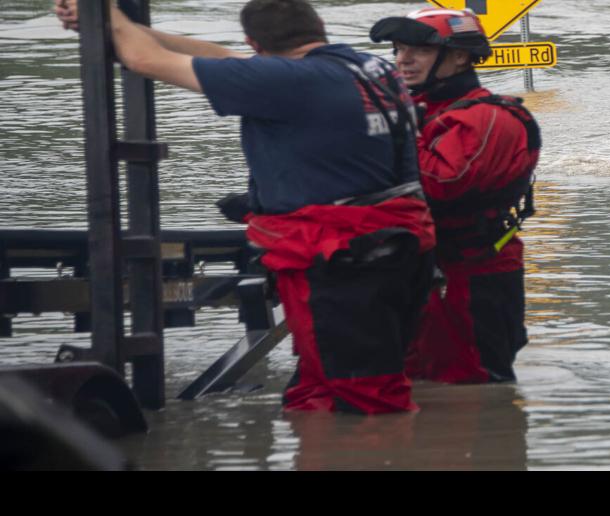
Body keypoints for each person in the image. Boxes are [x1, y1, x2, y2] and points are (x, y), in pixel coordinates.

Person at [68, 0, 437, 414]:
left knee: (363, 397)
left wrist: (99, 9)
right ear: (317, 27)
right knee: (329, 389)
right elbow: (223, 58)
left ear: (255, 43)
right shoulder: (368, 68)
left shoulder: (289, 81)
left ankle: (377, 455)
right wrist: (115, 27)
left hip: (341, 258)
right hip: (394, 246)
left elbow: (142, 60)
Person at [372, 7, 541, 384]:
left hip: (473, 277)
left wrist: (397, 132)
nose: (403, 60)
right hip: (421, 272)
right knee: (417, 385)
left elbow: (444, 185)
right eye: (398, 50)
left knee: (474, 389)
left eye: (418, 50)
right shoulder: (420, 111)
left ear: (460, 56)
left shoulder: (489, 117)